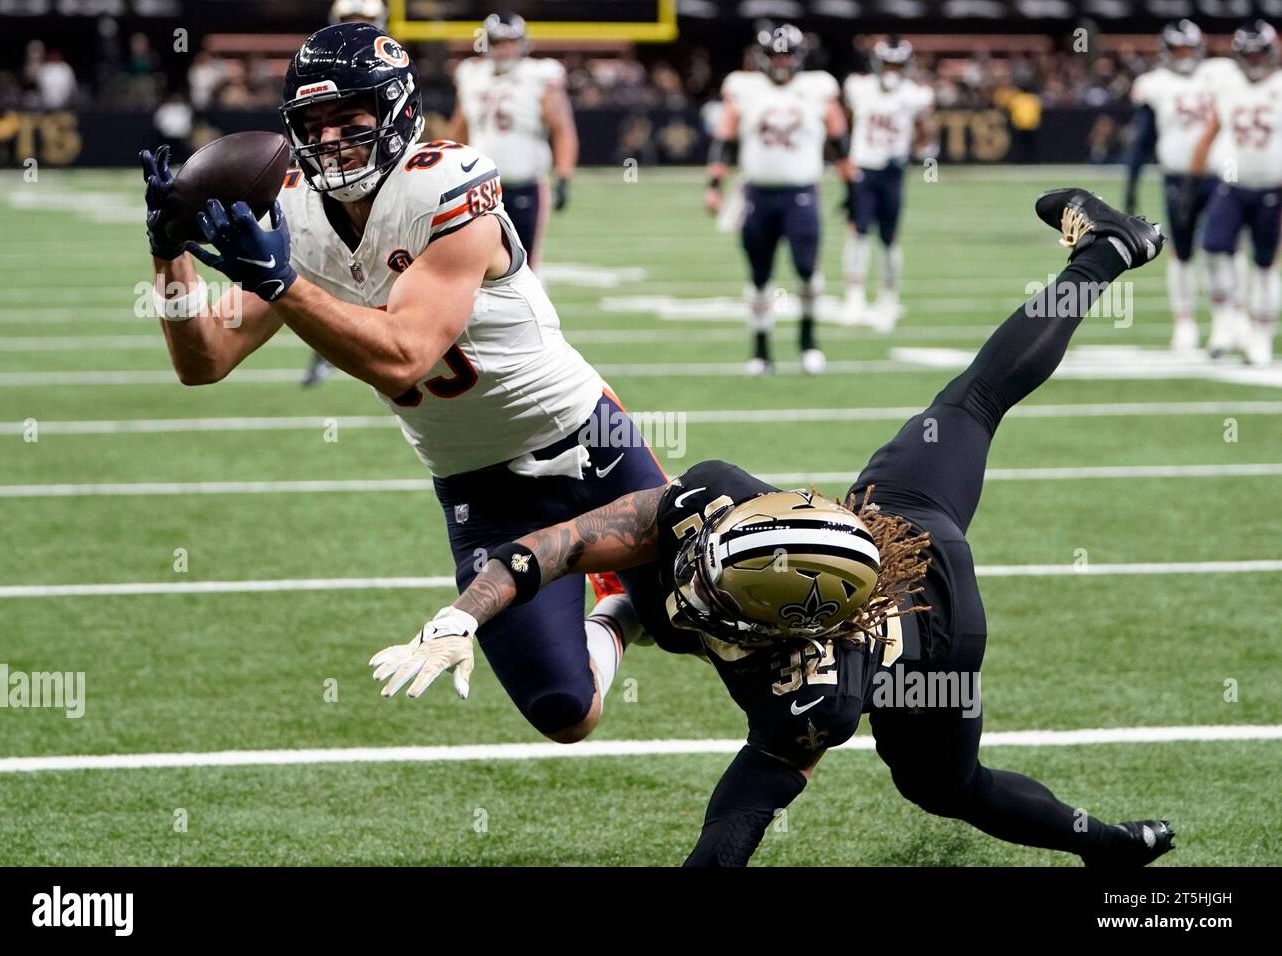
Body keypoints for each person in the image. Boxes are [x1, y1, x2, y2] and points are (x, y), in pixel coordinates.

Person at [374, 188, 1176, 868]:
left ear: (773, 627)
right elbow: (551, 547)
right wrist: (461, 616)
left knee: (942, 787)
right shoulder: (705, 501)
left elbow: (749, 800)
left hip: (932, 620)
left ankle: (1102, 843)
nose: (692, 578)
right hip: (884, 516)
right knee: (968, 403)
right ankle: (1106, 249)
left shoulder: (816, 688)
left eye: (713, 592)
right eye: (702, 568)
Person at [140, 23, 663, 746]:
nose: (330, 142)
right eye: (312, 126)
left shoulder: (445, 186)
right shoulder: (292, 212)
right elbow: (202, 363)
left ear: (396, 113)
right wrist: (170, 257)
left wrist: (284, 282)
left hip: (585, 440)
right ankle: (616, 610)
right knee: (565, 713)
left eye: (349, 121)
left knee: (709, 614)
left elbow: (404, 357)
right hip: (480, 489)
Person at [704, 24, 852, 375]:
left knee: (806, 270)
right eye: (774, 54)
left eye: (786, 54)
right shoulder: (745, 88)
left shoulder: (818, 87)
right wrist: (714, 183)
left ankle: (808, 342)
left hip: (801, 193)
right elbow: (726, 137)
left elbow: (839, 137)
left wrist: (853, 187)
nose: (781, 61)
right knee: (759, 275)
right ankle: (761, 350)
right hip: (757, 194)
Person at [1127, 19, 1241, 352]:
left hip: (1219, 175)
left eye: (1188, 48)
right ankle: (1186, 323)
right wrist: (1131, 185)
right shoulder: (1155, 84)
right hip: (1177, 177)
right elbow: (1143, 141)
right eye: (1178, 48)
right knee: (1181, 252)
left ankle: (1228, 319)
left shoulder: (1221, 75)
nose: (1184, 55)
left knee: (1223, 249)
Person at [448, 12, 578, 271]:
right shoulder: (471, 75)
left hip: (525, 186)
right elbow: (459, 129)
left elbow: (562, 128)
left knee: (525, 264)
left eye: (509, 41)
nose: (503, 49)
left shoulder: (540, 76)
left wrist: (563, 176)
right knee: (478, 264)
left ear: (522, 43)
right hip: (480, 188)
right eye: (496, 42)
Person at [1191, 19, 1282, 366]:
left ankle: (1261, 336)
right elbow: (1213, 129)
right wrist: (1193, 177)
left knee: (1264, 264)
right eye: (1249, 53)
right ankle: (1226, 319)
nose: (1255, 60)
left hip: (1272, 187)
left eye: (1260, 53)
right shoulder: (1227, 85)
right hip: (1231, 184)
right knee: (1213, 247)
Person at [841, 36, 934, 331]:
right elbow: (843, 122)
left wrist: (920, 149)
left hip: (893, 172)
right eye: (888, 63)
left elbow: (924, 131)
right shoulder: (859, 87)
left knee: (890, 238)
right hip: (863, 169)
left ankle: (889, 296)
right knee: (857, 232)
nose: (892, 69)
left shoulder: (913, 94)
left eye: (897, 64)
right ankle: (854, 296)